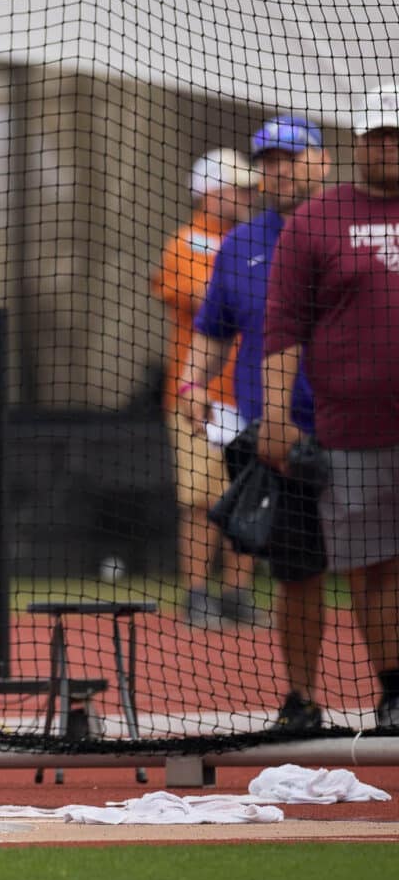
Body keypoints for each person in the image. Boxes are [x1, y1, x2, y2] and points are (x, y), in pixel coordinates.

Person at [180, 117, 330, 732]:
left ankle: (392, 691)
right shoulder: (240, 242)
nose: (279, 169)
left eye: (291, 157)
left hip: (364, 428)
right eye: (268, 160)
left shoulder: (355, 225)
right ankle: (301, 700)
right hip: (277, 437)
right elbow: (214, 329)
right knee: (296, 574)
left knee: (382, 570)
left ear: (322, 160)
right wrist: (192, 381)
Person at [260, 84, 399, 733]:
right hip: (347, 429)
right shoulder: (318, 219)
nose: (388, 144)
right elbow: (282, 325)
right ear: (357, 141)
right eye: (377, 134)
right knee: (370, 567)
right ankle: (393, 690)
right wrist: (274, 417)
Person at [153, 149, 256, 629]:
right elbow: (205, 301)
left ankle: (237, 594)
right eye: (238, 188)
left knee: (251, 493)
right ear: (212, 192)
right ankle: (196, 594)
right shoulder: (187, 243)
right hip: (199, 393)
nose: (247, 196)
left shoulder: (255, 241)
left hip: (251, 392)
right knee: (200, 500)